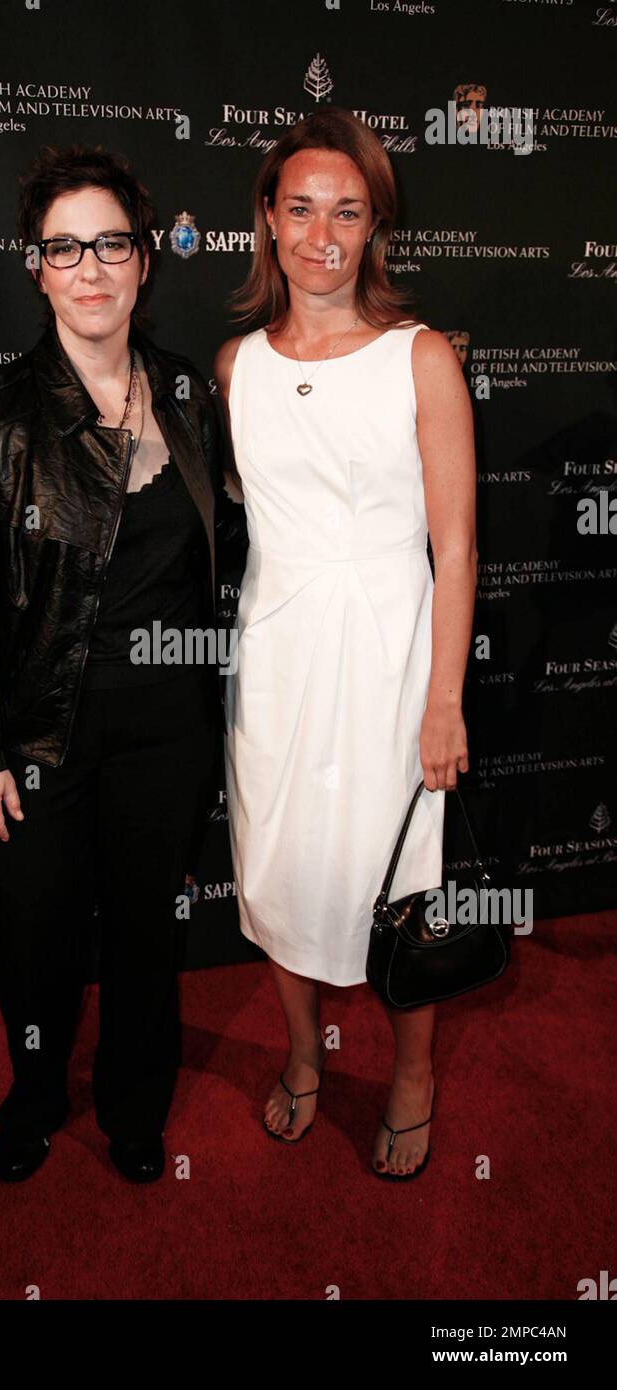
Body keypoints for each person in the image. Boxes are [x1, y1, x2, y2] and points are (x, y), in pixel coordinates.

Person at [0, 145, 245, 1185]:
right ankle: (31, 1094)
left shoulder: (192, 392)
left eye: (110, 242)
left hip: (167, 725)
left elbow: (236, 549)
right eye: (63, 248)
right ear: (35, 267)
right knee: (36, 941)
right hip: (39, 731)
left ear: (144, 259)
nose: (90, 268)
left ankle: (135, 1104)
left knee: (148, 939)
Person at [214, 109, 476, 1178]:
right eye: (301, 209)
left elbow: (454, 545)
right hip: (275, 659)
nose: (322, 234)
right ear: (269, 223)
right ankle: (302, 1055)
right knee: (275, 870)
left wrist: (443, 698)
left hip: (390, 658)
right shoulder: (234, 367)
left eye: (347, 212)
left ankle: (410, 1072)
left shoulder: (419, 358)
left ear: (374, 229)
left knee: (399, 877)